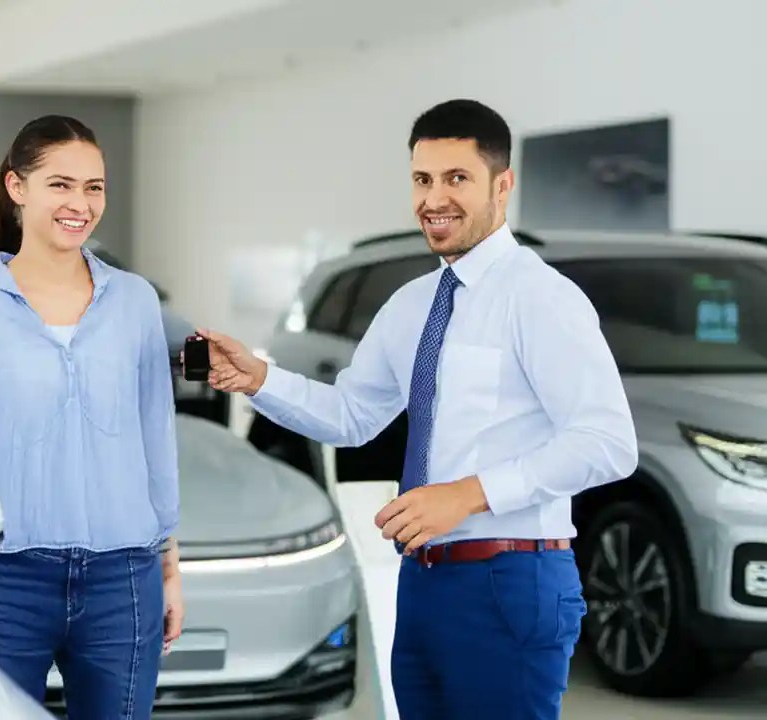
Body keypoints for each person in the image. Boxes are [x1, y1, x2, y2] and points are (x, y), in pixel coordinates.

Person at [193, 99, 638, 719]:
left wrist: (467, 494)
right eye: (422, 179)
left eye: (457, 178)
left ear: (502, 185)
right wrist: (260, 379)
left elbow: (607, 441)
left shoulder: (540, 297)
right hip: (425, 578)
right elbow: (351, 415)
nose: (434, 198)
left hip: (510, 578)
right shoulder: (412, 303)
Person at [0, 114, 184, 718]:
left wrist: (168, 562)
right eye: (61, 184)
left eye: (94, 187)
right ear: (18, 187)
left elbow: (155, 434)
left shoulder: (135, 302)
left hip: (123, 579)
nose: (79, 204)